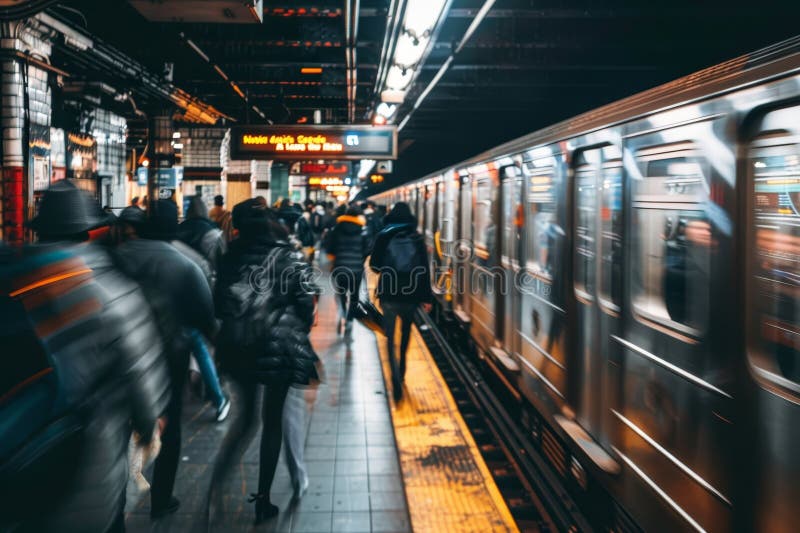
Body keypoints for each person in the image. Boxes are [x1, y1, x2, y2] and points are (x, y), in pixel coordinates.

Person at [0, 181, 169, 532]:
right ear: (90, 232)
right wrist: (148, 423)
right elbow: (140, 373)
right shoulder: (109, 292)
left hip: (12, 455)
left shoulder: (12, 280)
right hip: (82, 460)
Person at [209, 201, 318, 525]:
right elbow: (306, 304)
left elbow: (219, 305)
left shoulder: (231, 256)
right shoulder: (290, 253)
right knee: (272, 423)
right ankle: (263, 501)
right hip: (279, 348)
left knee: (245, 421)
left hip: (239, 348)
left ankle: (216, 485)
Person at [112, 199, 216, 520]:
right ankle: (161, 498)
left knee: (117, 429)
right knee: (170, 429)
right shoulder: (187, 264)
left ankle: (114, 505)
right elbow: (205, 318)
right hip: (169, 355)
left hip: (120, 354)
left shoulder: (116, 257)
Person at [369, 202, 433, 401]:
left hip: (389, 293)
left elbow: (374, 265)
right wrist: (426, 298)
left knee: (389, 336)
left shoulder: (384, 236)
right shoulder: (417, 238)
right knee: (405, 333)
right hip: (411, 294)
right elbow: (424, 270)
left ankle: (394, 376)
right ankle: (403, 369)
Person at [178, 196, 230, 422]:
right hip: (207, 294)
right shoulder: (214, 235)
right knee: (205, 344)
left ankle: (191, 385)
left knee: (190, 342)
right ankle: (215, 392)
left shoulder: (177, 234)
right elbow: (223, 267)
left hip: (180, 295)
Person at [325, 205, 370, 336]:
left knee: (341, 293)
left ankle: (342, 312)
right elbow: (366, 251)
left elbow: (330, 249)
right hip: (356, 270)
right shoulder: (362, 230)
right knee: (354, 296)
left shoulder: (336, 229)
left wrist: (335, 258)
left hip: (340, 268)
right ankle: (349, 320)